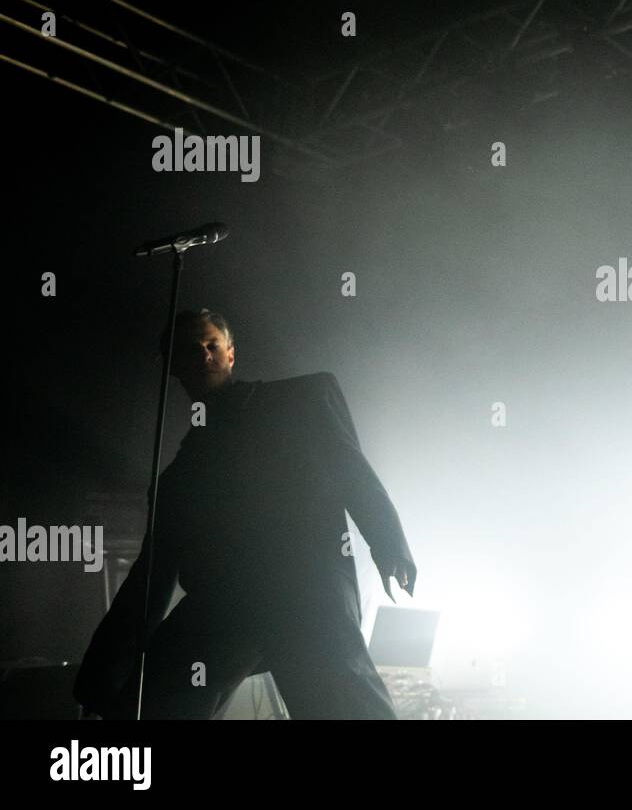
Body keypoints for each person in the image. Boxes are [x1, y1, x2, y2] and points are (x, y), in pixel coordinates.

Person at [73, 308, 418, 719]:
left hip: (303, 597)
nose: (203, 355)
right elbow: (151, 577)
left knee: (345, 704)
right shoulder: (179, 480)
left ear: (231, 355)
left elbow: (351, 469)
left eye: (211, 345)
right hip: (228, 608)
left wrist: (388, 543)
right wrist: (104, 671)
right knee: (150, 704)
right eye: (189, 350)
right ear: (174, 367)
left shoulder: (298, 404)